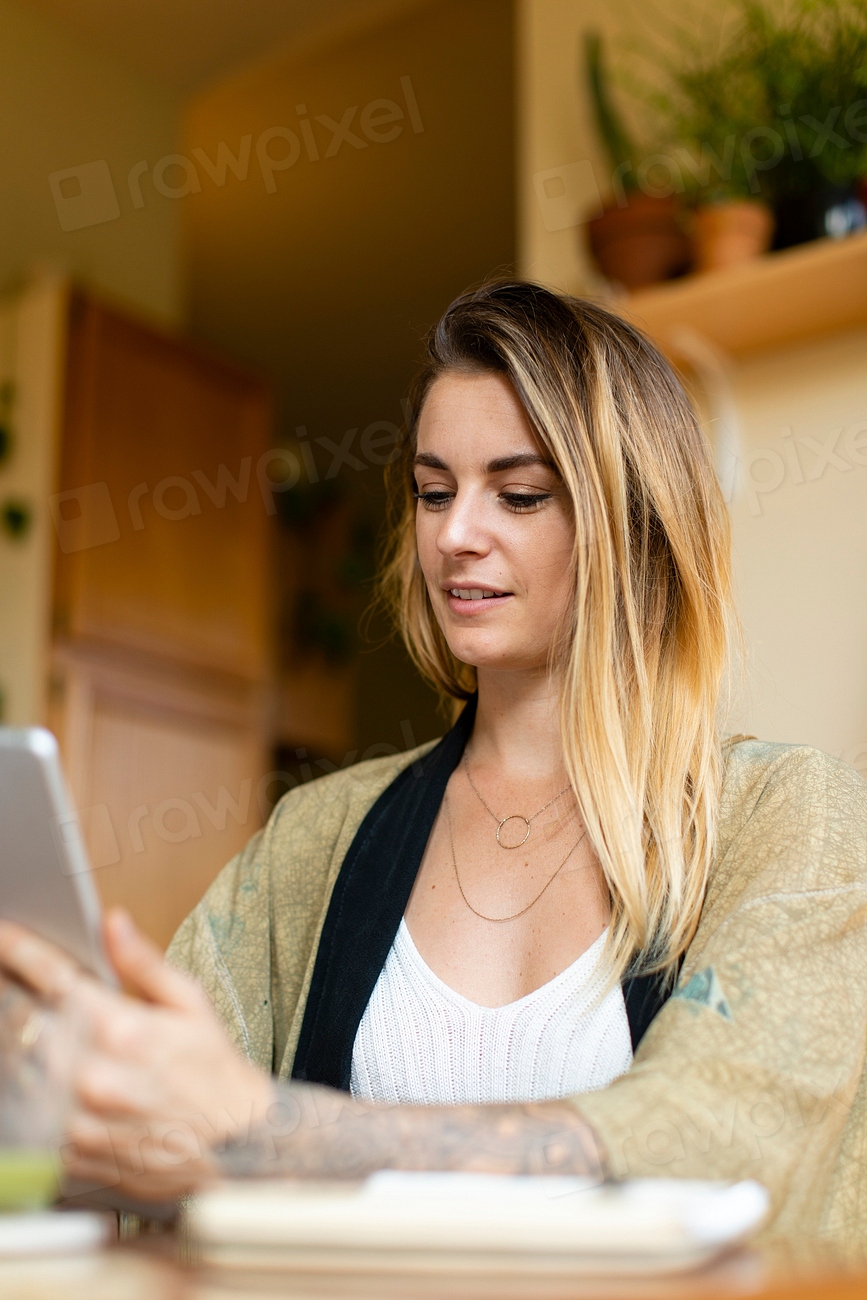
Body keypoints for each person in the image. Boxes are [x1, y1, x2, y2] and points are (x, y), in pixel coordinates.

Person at [1, 282, 865, 1241]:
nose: (454, 535)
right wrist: (75, 1083)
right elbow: (149, 1143)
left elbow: (710, 1140)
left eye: (520, 493)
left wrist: (269, 1130)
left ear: (638, 521)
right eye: (433, 491)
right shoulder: (318, 835)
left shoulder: (791, 817)